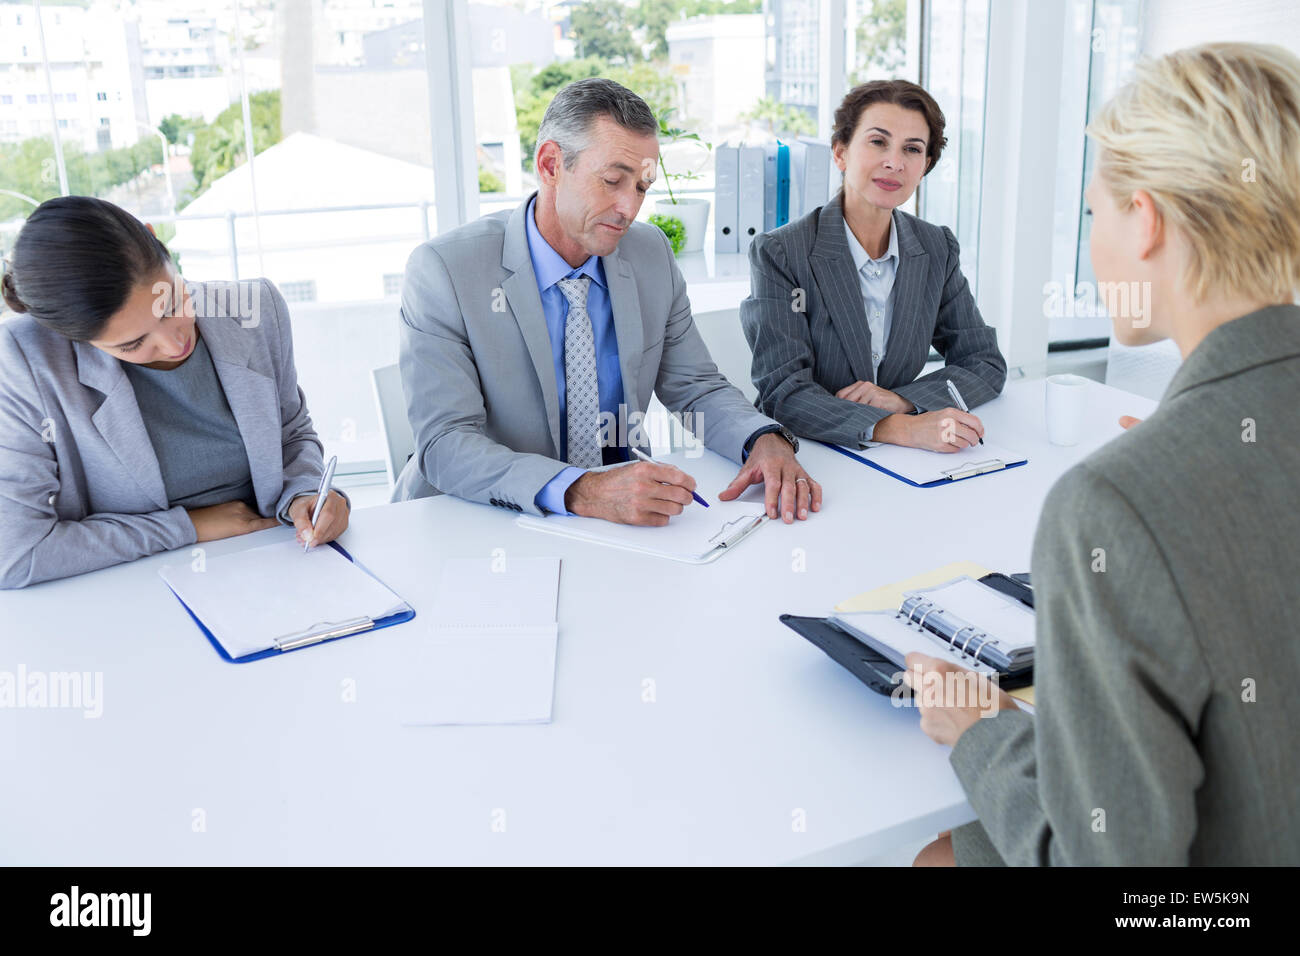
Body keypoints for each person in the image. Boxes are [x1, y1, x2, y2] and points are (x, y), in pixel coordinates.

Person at [907, 42, 1300, 865]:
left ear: (1147, 219)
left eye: (1095, 213)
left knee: (936, 857)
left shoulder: (1115, 503)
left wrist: (982, 727)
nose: (1092, 241)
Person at [393, 77, 821, 525]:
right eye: (613, 180)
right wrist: (582, 490)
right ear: (551, 164)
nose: (629, 208)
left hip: (620, 524)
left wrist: (762, 438)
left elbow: (696, 386)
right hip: (474, 522)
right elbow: (445, 443)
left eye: (640, 186)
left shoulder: (650, 253)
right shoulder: (445, 270)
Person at [0, 196, 348, 589]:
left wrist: (305, 494)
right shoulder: (23, 360)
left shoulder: (256, 308)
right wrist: (187, 528)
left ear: (156, 241)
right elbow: (14, 554)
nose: (174, 342)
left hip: (278, 559)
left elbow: (290, 433)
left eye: (172, 303)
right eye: (132, 344)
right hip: (135, 588)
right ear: (71, 337)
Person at [741, 80, 1007, 452]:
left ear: (925, 165)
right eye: (878, 141)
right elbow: (783, 394)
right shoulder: (781, 252)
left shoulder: (936, 248)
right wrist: (899, 427)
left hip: (903, 463)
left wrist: (903, 401)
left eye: (912, 149)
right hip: (811, 451)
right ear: (840, 152)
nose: (894, 162)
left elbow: (984, 362)